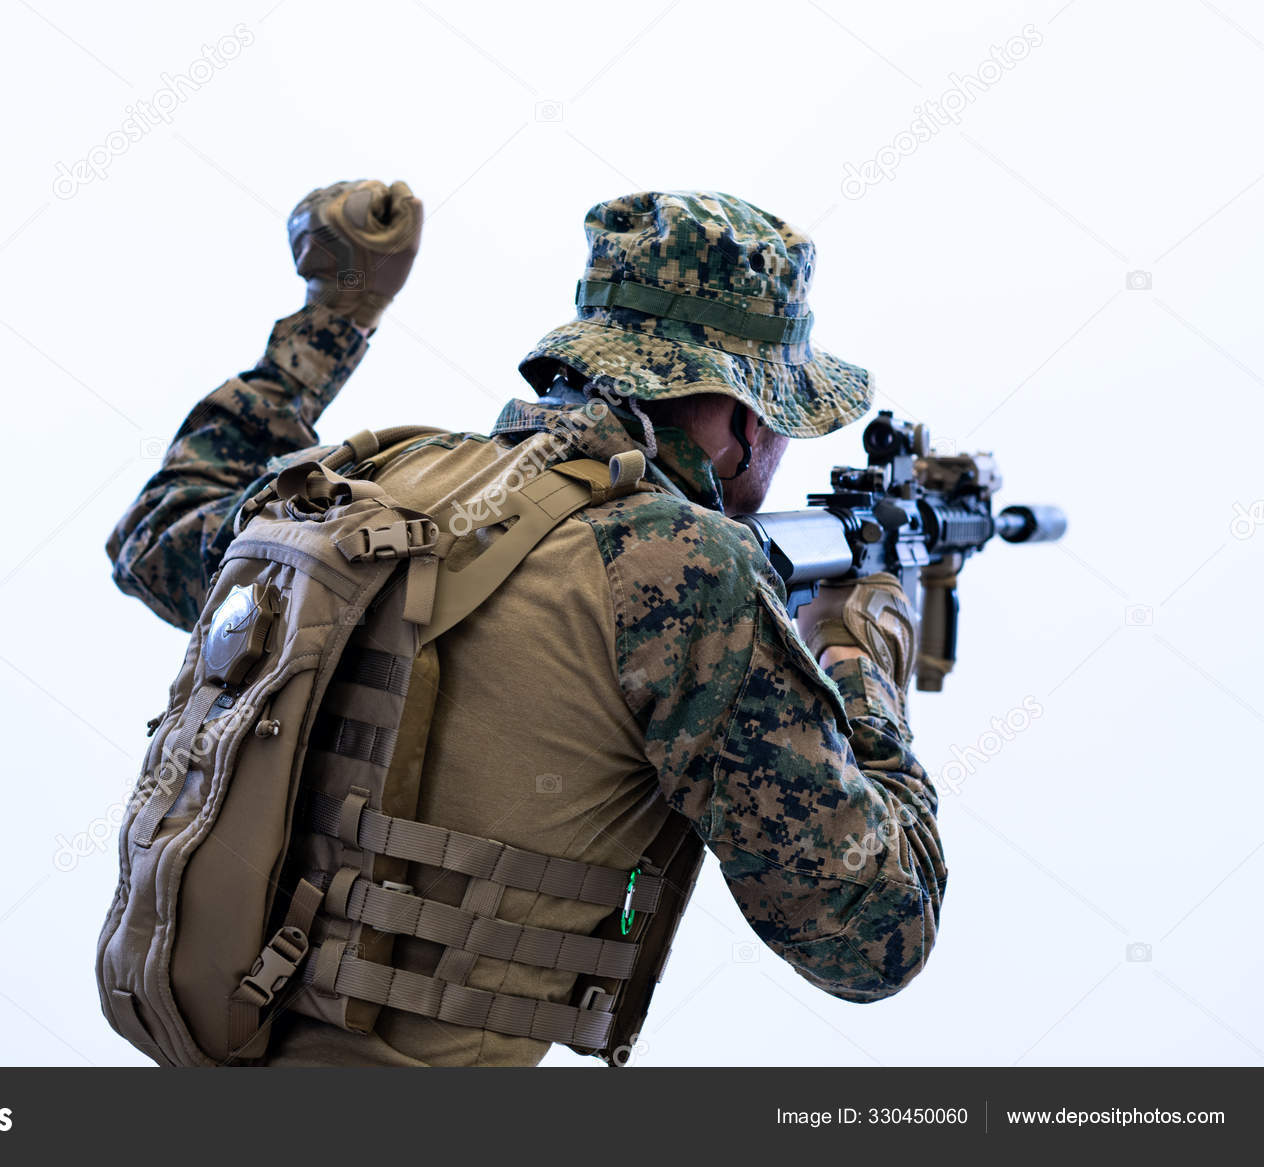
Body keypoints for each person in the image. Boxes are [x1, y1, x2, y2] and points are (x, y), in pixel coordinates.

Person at [106, 180, 947, 1066]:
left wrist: (335, 312)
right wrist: (858, 656)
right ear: (738, 414)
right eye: (783, 416)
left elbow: (157, 530)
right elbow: (876, 934)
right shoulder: (685, 567)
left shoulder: (379, 487)